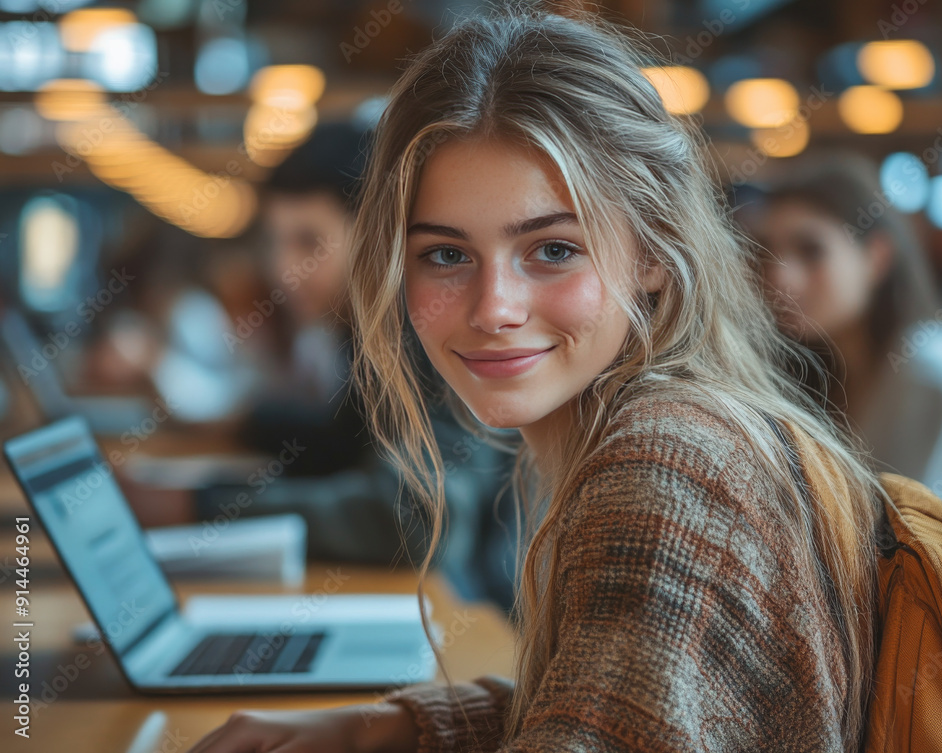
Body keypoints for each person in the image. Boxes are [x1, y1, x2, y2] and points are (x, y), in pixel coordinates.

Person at [185, 7, 889, 752]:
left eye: (552, 250)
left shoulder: (668, 463)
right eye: (446, 256)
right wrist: (382, 726)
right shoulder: (653, 427)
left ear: (652, 249)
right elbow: (607, 705)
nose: (494, 310)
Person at [124, 121, 521, 611]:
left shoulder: (428, 330)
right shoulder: (367, 333)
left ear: (378, 234)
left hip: (484, 625)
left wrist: (199, 506)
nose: (283, 270)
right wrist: (239, 434)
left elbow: (411, 525)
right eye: (275, 243)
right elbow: (346, 443)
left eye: (309, 242)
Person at [737, 155, 942, 512]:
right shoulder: (828, 373)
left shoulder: (933, 370)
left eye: (811, 250)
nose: (779, 277)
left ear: (876, 257)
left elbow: (910, 541)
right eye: (767, 253)